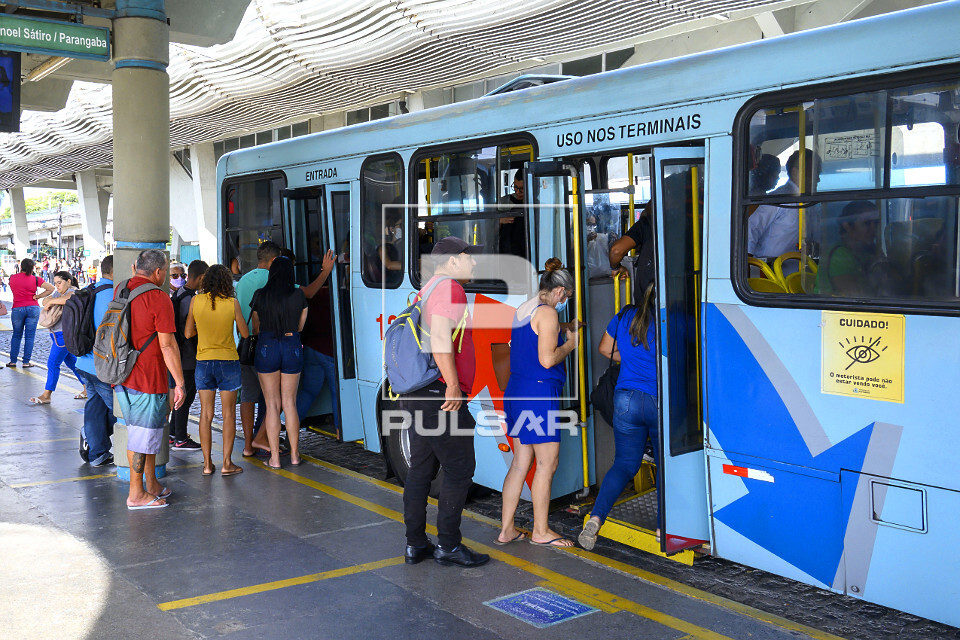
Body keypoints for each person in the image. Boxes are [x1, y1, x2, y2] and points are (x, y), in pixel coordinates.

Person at [398, 236, 489, 568]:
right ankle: (448, 545)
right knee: (460, 468)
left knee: (420, 469)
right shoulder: (450, 288)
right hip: (438, 395)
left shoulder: (427, 289)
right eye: (469, 257)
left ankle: (415, 544)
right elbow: (440, 336)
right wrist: (452, 384)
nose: (474, 263)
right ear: (452, 261)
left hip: (417, 393)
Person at [497, 258, 578, 548]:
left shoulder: (524, 308)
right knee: (547, 463)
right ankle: (541, 531)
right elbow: (546, 359)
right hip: (540, 394)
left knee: (521, 463)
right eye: (566, 297)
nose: (564, 301)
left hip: (517, 392)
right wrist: (570, 343)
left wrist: (566, 326)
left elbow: (533, 337)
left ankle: (506, 529)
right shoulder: (548, 314)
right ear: (559, 292)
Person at [579, 282, 660, 550]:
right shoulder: (674, 318)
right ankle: (663, 528)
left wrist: (629, 359)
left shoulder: (625, 315)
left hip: (625, 399)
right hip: (658, 401)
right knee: (666, 468)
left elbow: (605, 348)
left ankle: (595, 520)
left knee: (624, 464)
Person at [117, 249, 185, 510]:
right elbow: (167, 345)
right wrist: (179, 383)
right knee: (141, 438)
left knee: (143, 434)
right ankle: (136, 494)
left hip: (122, 375)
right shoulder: (158, 298)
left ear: (136, 267)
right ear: (158, 272)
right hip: (147, 378)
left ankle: (152, 484)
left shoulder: (122, 289)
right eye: (166, 271)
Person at [185, 264, 248, 476]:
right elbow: (245, 334)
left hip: (203, 362)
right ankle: (227, 463)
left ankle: (206, 464)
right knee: (229, 414)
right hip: (228, 361)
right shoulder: (232, 303)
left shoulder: (196, 301)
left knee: (206, 414)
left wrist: (203, 330)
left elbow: (187, 333)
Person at [250, 256, 307, 469]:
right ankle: (294, 455)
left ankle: (274, 458)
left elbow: (255, 328)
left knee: (272, 405)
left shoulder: (260, 295)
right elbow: (301, 326)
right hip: (292, 344)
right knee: (289, 403)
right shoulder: (298, 295)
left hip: (267, 346)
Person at [235, 240, 282, 457]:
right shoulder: (275, 280)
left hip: (244, 347)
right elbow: (305, 294)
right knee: (273, 396)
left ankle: (247, 446)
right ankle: (262, 437)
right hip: (264, 345)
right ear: (274, 260)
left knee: (248, 396)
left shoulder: (243, 280)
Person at [75, 256, 117, 467]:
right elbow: (110, 335)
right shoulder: (111, 296)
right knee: (119, 411)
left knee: (95, 407)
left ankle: (97, 453)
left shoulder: (90, 289)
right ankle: (92, 438)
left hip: (83, 362)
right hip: (101, 366)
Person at [748, 149, 822, 261]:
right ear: (795, 173)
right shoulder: (778, 199)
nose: (818, 179)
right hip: (771, 273)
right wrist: (747, 264)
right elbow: (752, 228)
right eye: (813, 173)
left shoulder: (810, 202)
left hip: (801, 272)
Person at [296, 251, 338, 433]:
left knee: (309, 391)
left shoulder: (308, 297)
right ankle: (339, 430)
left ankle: (293, 425)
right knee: (338, 393)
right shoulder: (335, 298)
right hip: (329, 351)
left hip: (311, 349)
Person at [168, 259, 208, 450]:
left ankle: (173, 432)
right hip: (187, 354)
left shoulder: (180, 293)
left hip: (179, 352)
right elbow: (189, 329)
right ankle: (181, 438)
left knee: (181, 394)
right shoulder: (191, 298)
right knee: (186, 395)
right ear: (201, 277)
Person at [30, 270, 86, 405]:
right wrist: (52, 301)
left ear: (68, 281)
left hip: (64, 335)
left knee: (53, 363)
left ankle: (47, 394)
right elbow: (45, 301)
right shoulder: (58, 293)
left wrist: (52, 302)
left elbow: (68, 299)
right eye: (55, 283)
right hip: (56, 334)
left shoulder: (74, 292)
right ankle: (87, 387)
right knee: (71, 362)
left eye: (59, 283)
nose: (57, 286)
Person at [814, 201, 883, 297]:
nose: (873, 229)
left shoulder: (866, 252)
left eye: (876, 223)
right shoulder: (839, 257)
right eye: (867, 223)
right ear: (847, 226)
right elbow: (856, 296)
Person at [7, 258, 54, 368]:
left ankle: (13, 361)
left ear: (21, 267)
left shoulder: (12, 278)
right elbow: (51, 288)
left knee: (16, 335)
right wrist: (38, 296)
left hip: (17, 308)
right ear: (32, 267)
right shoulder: (36, 279)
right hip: (33, 307)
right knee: (30, 336)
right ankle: (26, 362)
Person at [608, 203, 655, 298]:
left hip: (649, 299)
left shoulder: (646, 224)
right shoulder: (690, 223)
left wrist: (615, 268)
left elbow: (616, 251)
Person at [498, 168, 527, 257]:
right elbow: (486, 227)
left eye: (521, 189)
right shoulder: (503, 202)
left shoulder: (536, 204)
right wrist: (498, 221)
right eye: (515, 187)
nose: (517, 192)